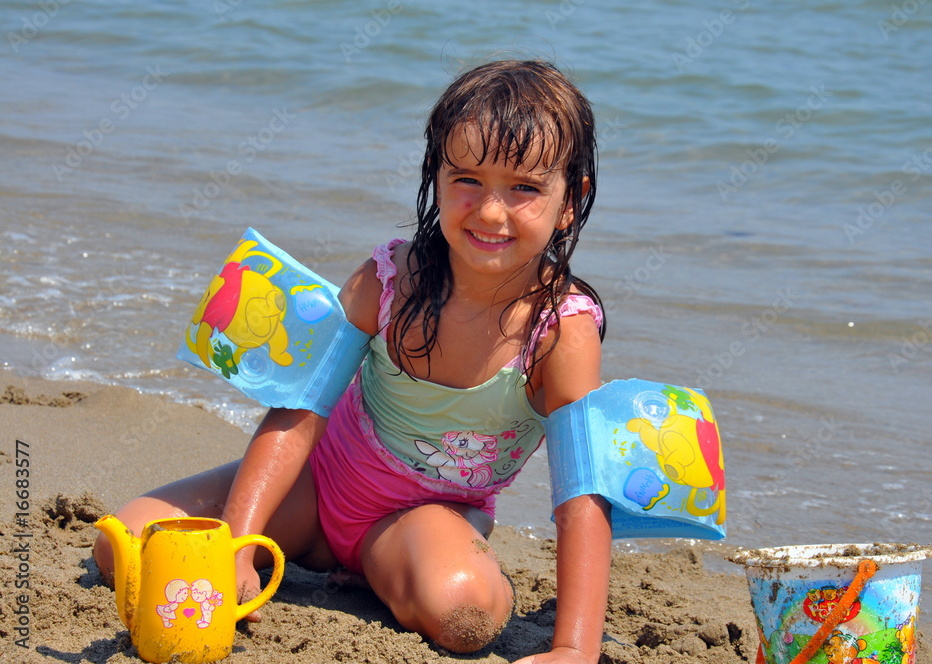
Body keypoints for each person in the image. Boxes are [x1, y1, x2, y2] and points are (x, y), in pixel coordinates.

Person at [94, 59, 611, 664]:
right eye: (467, 178)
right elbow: (300, 411)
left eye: (524, 188)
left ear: (569, 201)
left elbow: (582, 493)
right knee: (128, 546)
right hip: (317, 483)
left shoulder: (561, 332)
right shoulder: (389, 280)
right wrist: (235, 545)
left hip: (419, 519)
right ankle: (323, 559)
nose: (491, 212)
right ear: (435, 176)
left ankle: (403, 562)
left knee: (465, 614)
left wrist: (574, 646)